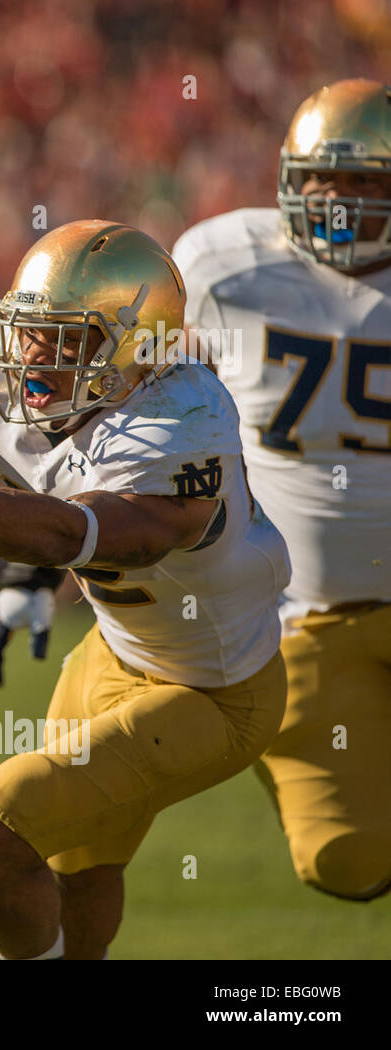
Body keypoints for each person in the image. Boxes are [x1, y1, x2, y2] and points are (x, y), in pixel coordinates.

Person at [0, 220, 290, 958]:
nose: (33, 355)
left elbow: (83, 531)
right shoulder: (14, 372)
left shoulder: (182, 422)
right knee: (81, 866)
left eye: (65, 340)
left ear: (138, 351)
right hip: (115, 652)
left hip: (214, 691)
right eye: (30, 330)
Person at [172, 78, 391, 902]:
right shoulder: (223, 263)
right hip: (310, 614)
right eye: (323, 180)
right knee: (348, 859)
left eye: (366, 181)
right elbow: (146, 408)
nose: (340, 201)